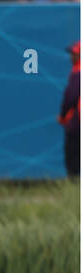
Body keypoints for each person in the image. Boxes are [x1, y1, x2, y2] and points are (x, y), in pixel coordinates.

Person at [59, 41, 79, 177]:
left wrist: (63, 115)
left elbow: (71, 96)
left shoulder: (78, 73)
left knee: (72, 158)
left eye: (75, 54)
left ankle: (75, 190)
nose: (71, 57)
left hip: (77, 124)